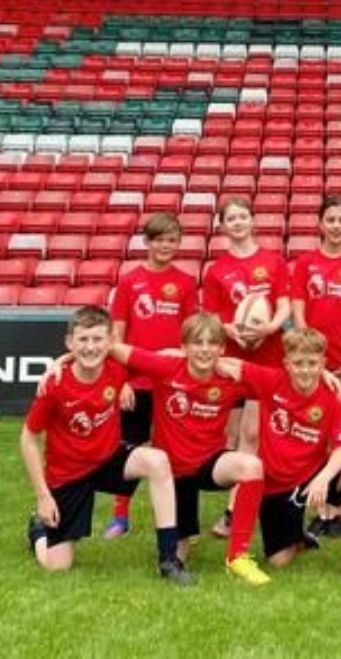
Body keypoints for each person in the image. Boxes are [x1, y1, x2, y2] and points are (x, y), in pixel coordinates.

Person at [19, 305, 194, 584]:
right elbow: (28, 438)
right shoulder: (54, 384)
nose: (90, 347)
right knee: (58, 566)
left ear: (111, 341)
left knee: (157, 460)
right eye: (83, 339)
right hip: (68, 474)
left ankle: (168, 559)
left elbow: (163, 358)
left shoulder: (117, 368)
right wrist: (43, 496)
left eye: (98, 339)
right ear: (69, 342)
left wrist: (201, 357)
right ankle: (38, 530)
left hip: (108, 458)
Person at [108, 311, 273, 586]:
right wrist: (67, 361)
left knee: (251, 466)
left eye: (212, 343)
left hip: (210, 464)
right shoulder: (166, 366)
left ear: (222, 348)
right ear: (184, 347)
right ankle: (177, 545)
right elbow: (112, 348)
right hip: (173, 472)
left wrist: (326, 376)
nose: (205, 350)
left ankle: (238, 557)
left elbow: (286, 379)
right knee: (178, 556)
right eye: (198, 342)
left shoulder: (232, 376)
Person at [220, 327, 341, 582]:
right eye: (298, 363)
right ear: (286, 364)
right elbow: (228, 364)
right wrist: (188, 355)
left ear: (323, 363)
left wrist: (323, 478)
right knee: (278, 561)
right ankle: (299, 539)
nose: (305, 370)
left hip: (314, 473)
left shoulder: (332, 394)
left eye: (312, 364)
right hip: (278, 484)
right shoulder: (270, 380)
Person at [102, 211, 198, 540]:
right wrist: (122, 381)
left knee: (176, 453)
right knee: (130, 449)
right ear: (147, 242)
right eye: (159, 240)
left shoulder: (186, 283)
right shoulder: (130, 281)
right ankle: (120, 517)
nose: (165, 246)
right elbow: (116, 338)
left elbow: (190, 336)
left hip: (172, 384)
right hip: (137, 383)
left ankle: (175, 519)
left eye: (172, 240)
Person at [200, 195, 291, 539]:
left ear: (253, 221)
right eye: (231, 218)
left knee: (252, 435)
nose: (237, 223)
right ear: (223, 226)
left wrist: (270, 329)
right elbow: (211, 317)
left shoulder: (273, 261)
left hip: (267, 359)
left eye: (243, 216)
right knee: (231, 435)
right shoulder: (216, 270)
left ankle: (234, 512)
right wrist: (230, 330)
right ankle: (248, 491)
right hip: (232, 360)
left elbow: (284, 306)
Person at [290, 194, 341, 538]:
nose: (337, 226)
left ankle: (334, 511)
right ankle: (314, 506)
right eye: (331, 220)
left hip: (340, 366)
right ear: (320, 224)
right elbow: (298, 313)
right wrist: (309, 355)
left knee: (339, 432)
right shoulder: (305, 263)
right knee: (311, 432)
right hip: (309, 364)